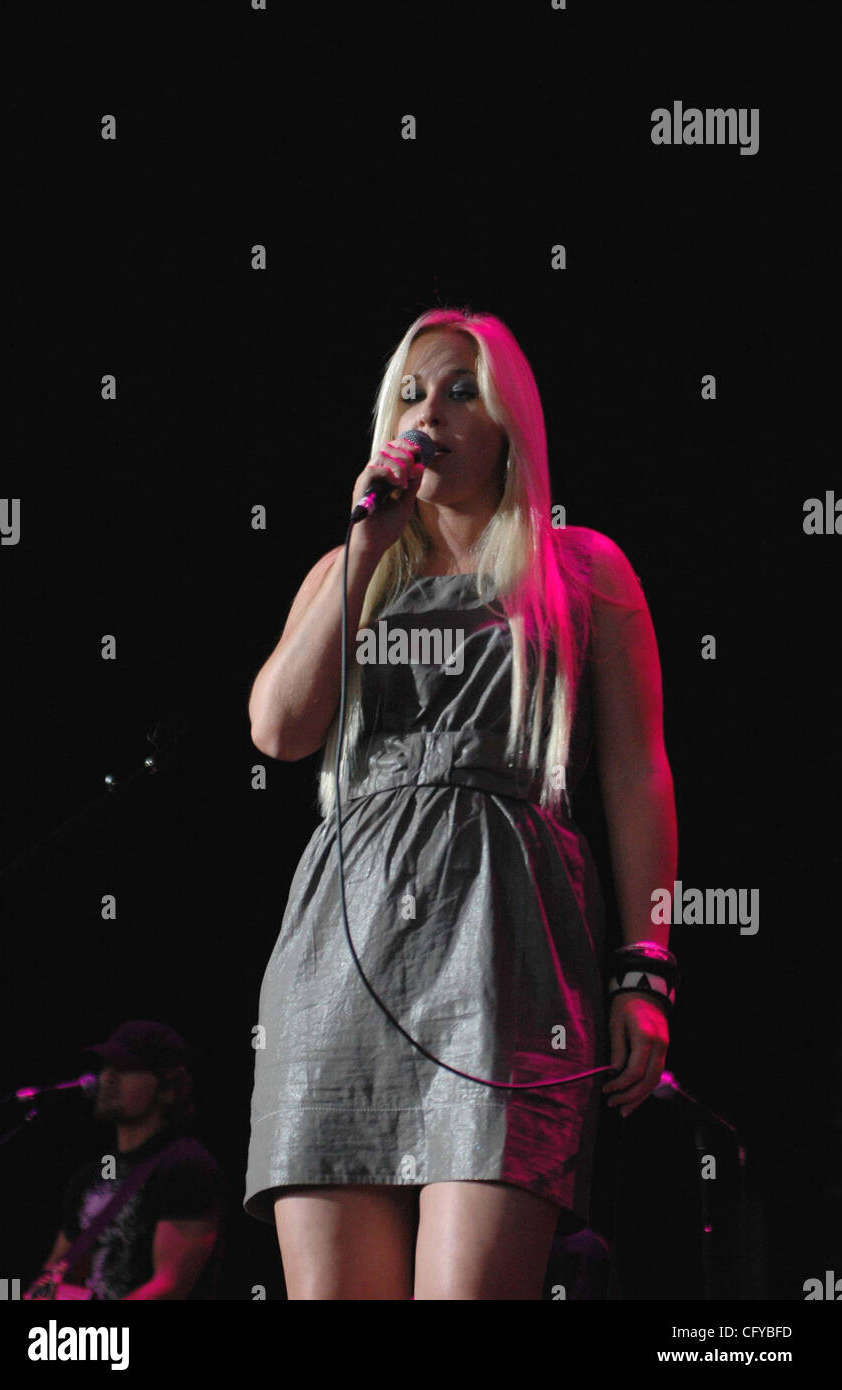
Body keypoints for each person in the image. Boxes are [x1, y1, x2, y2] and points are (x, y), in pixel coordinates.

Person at [244, 307, 678, 1300]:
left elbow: (636, 778)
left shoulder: (583, 572)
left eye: (459, 390)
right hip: (342, 960)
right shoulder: (348, 569)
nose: (429, 412)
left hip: (506, 947)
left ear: (510, 422)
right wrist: (363, 549)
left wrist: (646, 969)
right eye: (410, 392)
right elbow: (277, 728)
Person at [35, 1020, 225, 1300]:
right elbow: (56, 1270)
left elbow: (170, 1287)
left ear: (167, 1086)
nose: (107, 1077)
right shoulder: (90, 1177)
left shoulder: (184, 1166)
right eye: (107, 1066)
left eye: (125, 1068)